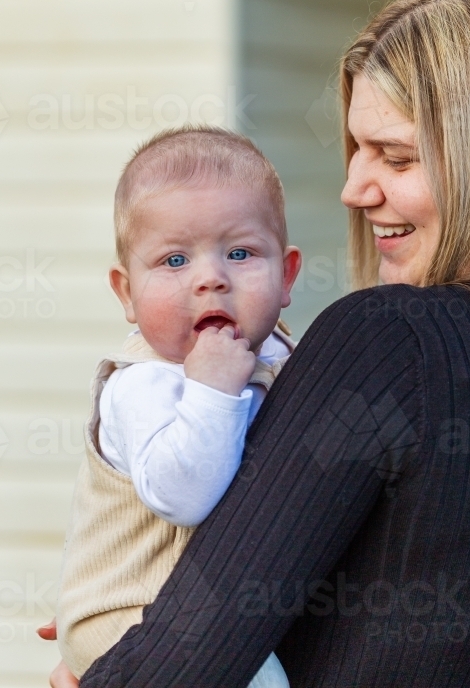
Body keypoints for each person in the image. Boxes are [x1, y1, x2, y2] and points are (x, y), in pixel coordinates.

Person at [52, 0, 470, 687]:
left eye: (395, 156)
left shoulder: (390, 345)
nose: (353, 188)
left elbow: (182, 665)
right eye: (356, 150)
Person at [47, 127, 302, 686]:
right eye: (173, 260)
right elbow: (186, 498)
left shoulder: (285, 356)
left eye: (240, 253)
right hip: (122, 608)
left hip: (206, 606)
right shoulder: (140, 386)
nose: (211, 278)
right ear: (126, 294)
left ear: (286, 276)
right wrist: (212, 392)